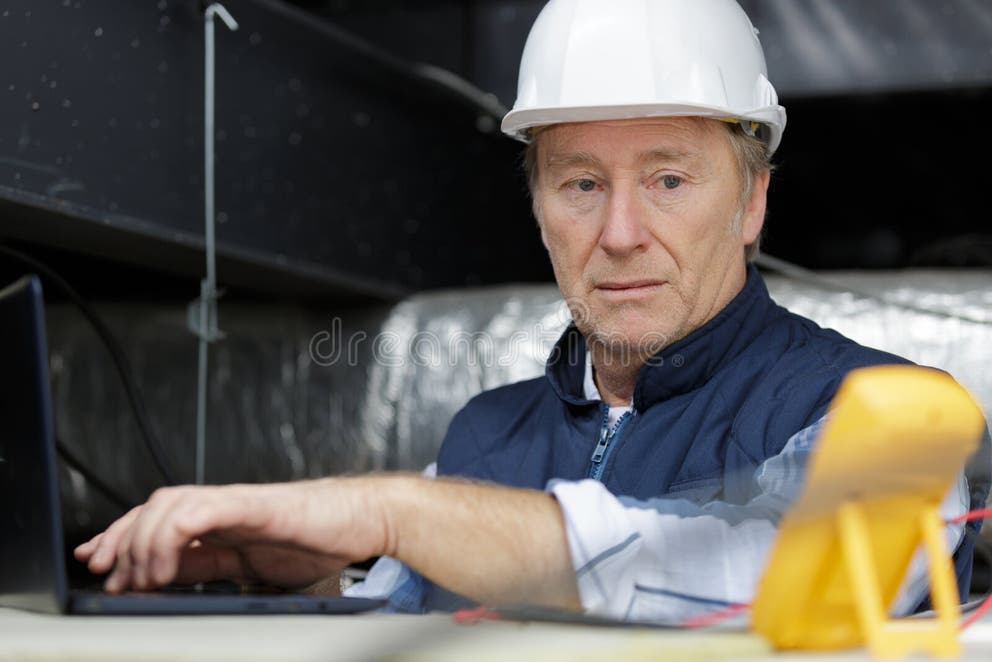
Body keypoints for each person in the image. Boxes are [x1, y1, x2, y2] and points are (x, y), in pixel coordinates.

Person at [76, 0, 990, 621]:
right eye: (581, 183)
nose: (621, 231)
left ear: (751, 202)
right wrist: (303, 576)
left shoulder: (888, 407)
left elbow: (794, 575)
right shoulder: (485, 435)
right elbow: (395, 602)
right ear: (539, 207)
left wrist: (394, 511)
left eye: (669, 178)